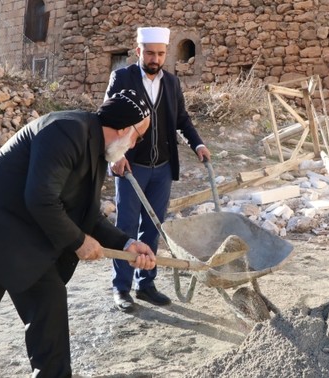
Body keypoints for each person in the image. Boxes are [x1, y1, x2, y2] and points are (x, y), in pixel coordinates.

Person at [0, 90, 157, 377]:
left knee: (50, 331)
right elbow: (40, 198)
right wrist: (78, 242)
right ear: (124, 129)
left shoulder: (96, 149)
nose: (135, 144)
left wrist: (127, 244)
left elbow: (87, 216)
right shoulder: (65, 131)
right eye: (138, 137)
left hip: (27, 244)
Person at [104, 27, 211, 312]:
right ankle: (121, 287)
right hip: (131, 166)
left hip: (162, 168)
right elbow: (108, 117)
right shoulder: (122, 77)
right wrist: (115, 155)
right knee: (126, 227)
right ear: (138, 51)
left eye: (161, 53)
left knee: (152, 227)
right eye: (150, 52)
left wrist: (198, 145)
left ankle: (146, 284)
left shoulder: (172, 83)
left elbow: (182, 121)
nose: (155, 58)